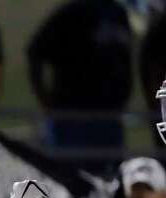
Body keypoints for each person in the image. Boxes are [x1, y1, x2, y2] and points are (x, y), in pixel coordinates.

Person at [27, 0, 131, 169]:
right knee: (73, 178)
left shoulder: (118, 14)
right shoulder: (72, 14)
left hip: (111, 116)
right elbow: (35, 51)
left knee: (110, 178)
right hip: (74, 118)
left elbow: (124, 59)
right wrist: (44, 98)